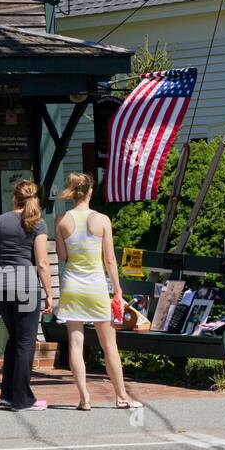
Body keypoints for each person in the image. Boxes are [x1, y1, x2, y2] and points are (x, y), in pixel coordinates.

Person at [55, 172, 140, 410]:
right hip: (95, 284)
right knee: (109, 344)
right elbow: (110, 259)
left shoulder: (62, 220)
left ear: (73, 193)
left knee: (75, 342)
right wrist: (118, 290)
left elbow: (62, 257)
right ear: (90, 191)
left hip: (72, 283)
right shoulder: (102, 220)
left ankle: (84, 399)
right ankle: (121, 396)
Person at [0, 179, 53, 411]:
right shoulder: (38, 223)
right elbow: (43, 263)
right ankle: (23, 398)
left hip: (3, 285)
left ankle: (7, 395)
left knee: (13, 339)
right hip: (26, 285)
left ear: (14, 197)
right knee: (25, 342)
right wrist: (49, 293)